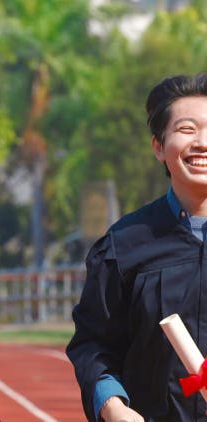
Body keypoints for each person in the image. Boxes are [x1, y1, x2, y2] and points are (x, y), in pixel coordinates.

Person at [67, 73, 207, 421]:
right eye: (187, 129)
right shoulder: (125, 245)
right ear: (159, 147)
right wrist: (112, 406)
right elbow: (94, 343)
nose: (202, 143)